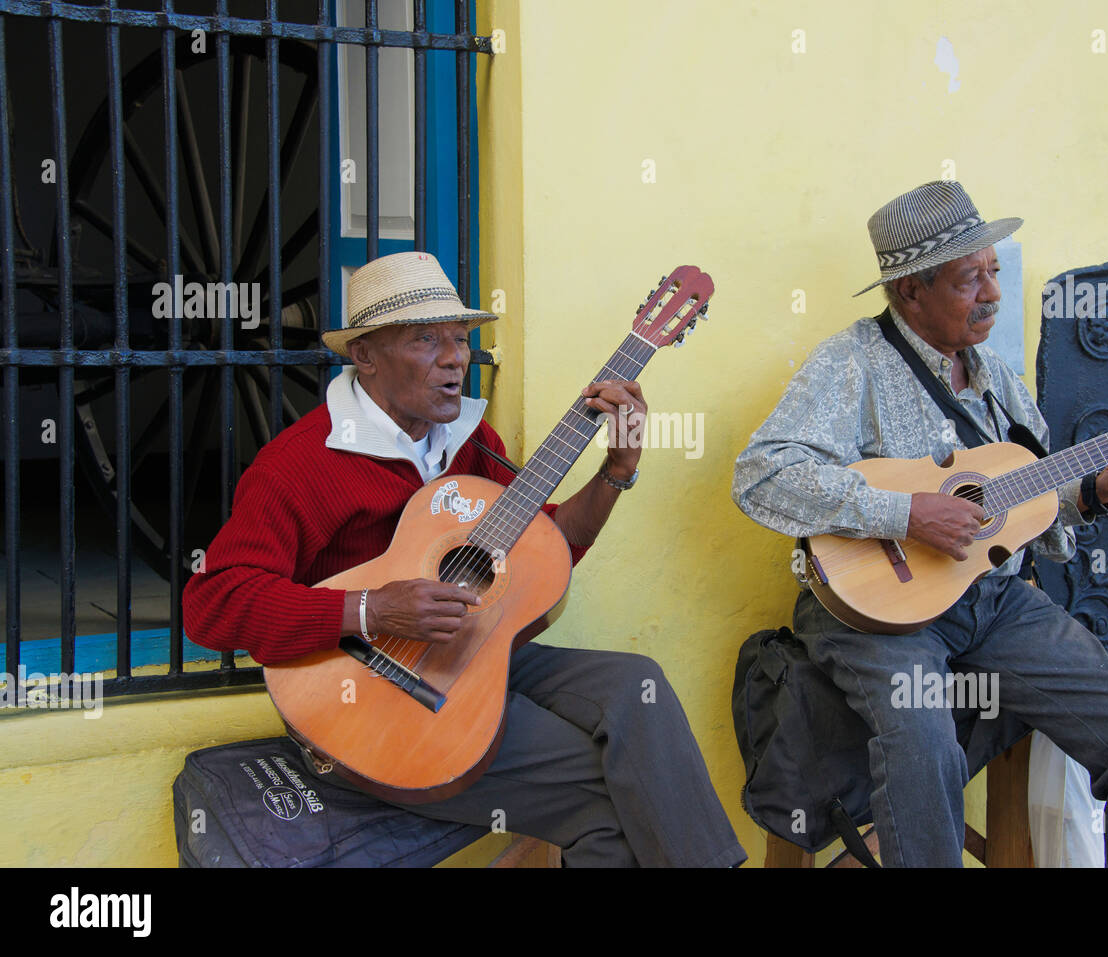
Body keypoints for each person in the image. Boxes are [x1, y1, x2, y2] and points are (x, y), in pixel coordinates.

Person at [183, 250, 744, 868]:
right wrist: (375, 609)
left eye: (460, 339)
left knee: (637, 684)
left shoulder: (471, 441)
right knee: (609, 798)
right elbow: (214, 605)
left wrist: (616, 470)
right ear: (364, 355)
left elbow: (540, 547)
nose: (455, 359)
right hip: (364, 698)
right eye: (426, 340)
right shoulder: (298, 465)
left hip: (476, 652)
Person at [732, 181, 1108, 867]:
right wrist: (905, 510)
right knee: (923, 743)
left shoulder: (999, 380)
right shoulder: (852, 362)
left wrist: (1101, 490)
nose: (991, 292)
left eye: (993, 270)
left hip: (991, 602)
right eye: (968, 279)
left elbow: (1029, 504)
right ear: (910, 292)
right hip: (876, 615)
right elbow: (761, 473)